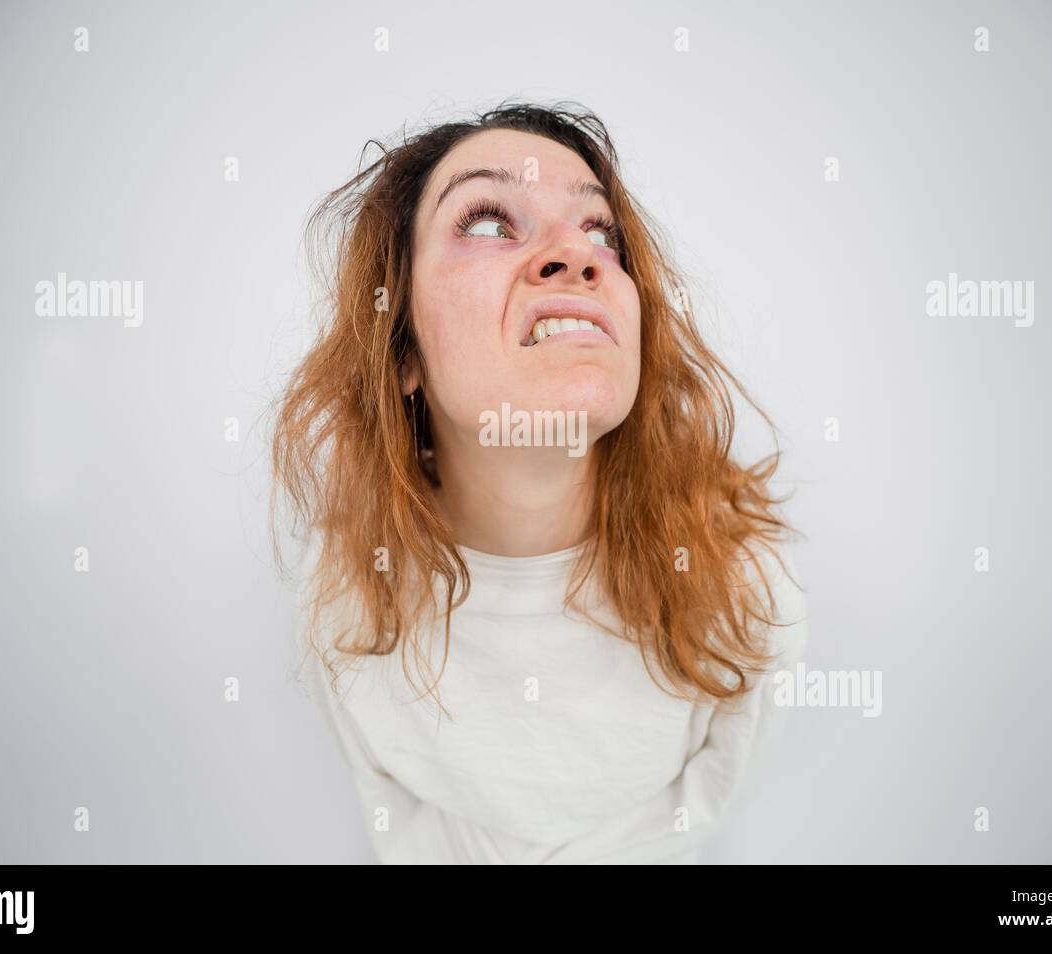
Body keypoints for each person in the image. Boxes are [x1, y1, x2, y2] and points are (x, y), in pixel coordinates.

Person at [272, 100, 809, 864]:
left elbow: (701, 814)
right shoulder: (345, 598)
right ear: (403, 353)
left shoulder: (746, 587)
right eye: (489, 221)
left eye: (600, 232)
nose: (578, 257)